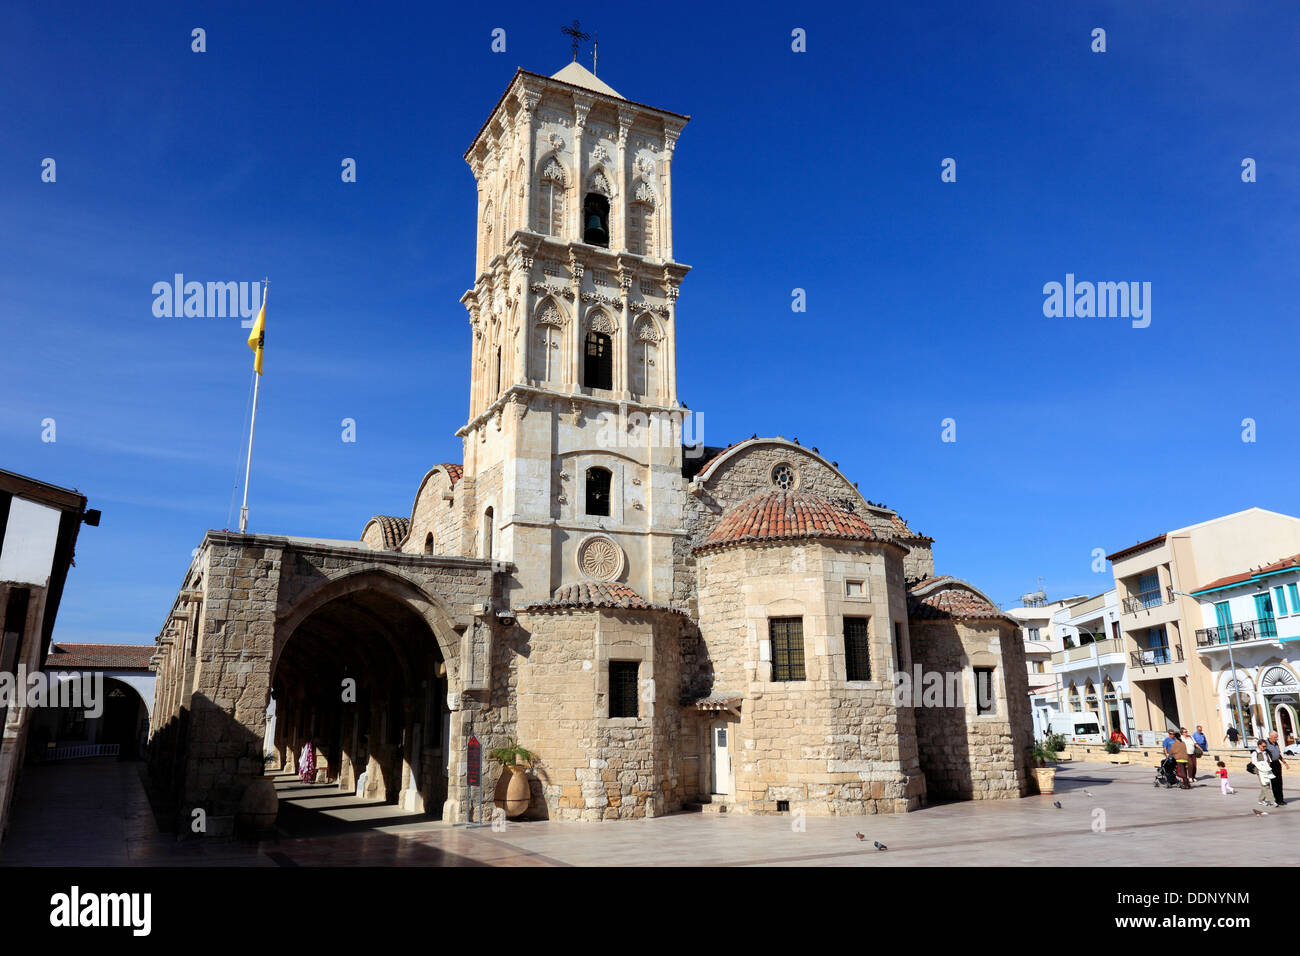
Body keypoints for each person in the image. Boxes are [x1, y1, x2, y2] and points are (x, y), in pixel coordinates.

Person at [1266, 731, 1290, 807]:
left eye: (1277, 737)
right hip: (1271, 764)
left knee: (1279, 781)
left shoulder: (1276, 743)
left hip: (1277, 764)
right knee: (1274, 782)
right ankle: (1277, 799)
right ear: (1270, 737)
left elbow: (1278, 754)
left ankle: (1281, 799)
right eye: (1275, 737)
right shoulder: (1266, 744)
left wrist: (1284, 762)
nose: (1276, 738)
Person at [1251, 741, 1276, 807]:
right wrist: (1262, 765)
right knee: (1265, 785)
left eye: (1265, 746)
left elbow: (1269, 761)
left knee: (1266, 785)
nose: (1264, 747)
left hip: (1266, 770)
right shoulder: (1255, 753)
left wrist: (1268, 765)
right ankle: (1272, 801)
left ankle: (1261, 800)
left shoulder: (1266, 752)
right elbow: (1253, 762)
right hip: (1260, 771)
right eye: (1263, 746)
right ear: (1259, 745)